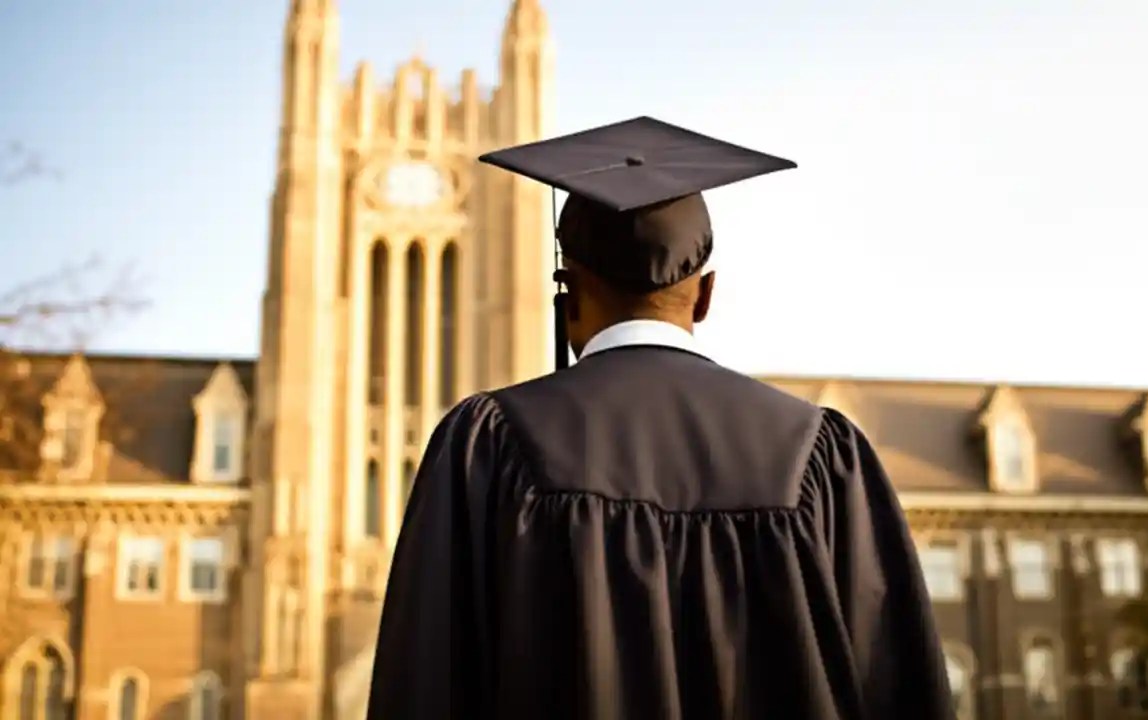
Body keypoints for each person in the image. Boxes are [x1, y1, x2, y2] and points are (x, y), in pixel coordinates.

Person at [366, 117, 953, 719]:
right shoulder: (820, 450)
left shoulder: (488, 442)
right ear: (705, 294)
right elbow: (897, 680)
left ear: (566, 293)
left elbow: (426, 683)